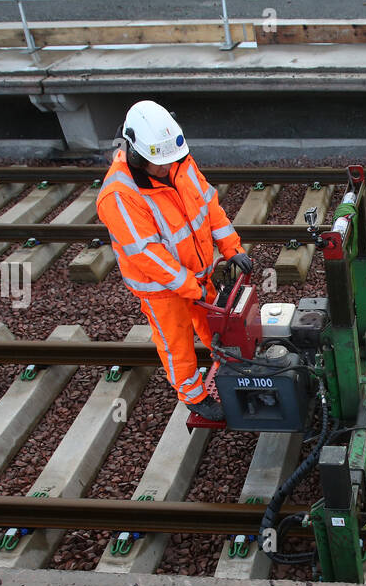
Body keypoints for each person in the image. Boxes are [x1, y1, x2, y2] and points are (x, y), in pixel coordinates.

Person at [96, 100, 252, 421]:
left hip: (197, 274)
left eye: (170, 160)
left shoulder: (179, 162)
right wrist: (188, 286)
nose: (166, 169)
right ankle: (194, 396)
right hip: (163, 290)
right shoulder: (119, 196)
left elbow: (208, 205)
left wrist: (231, 247)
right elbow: (146, 253)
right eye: (158, 163)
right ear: (136, 154)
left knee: (214, 324)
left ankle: (227, 363)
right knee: (176, 343)